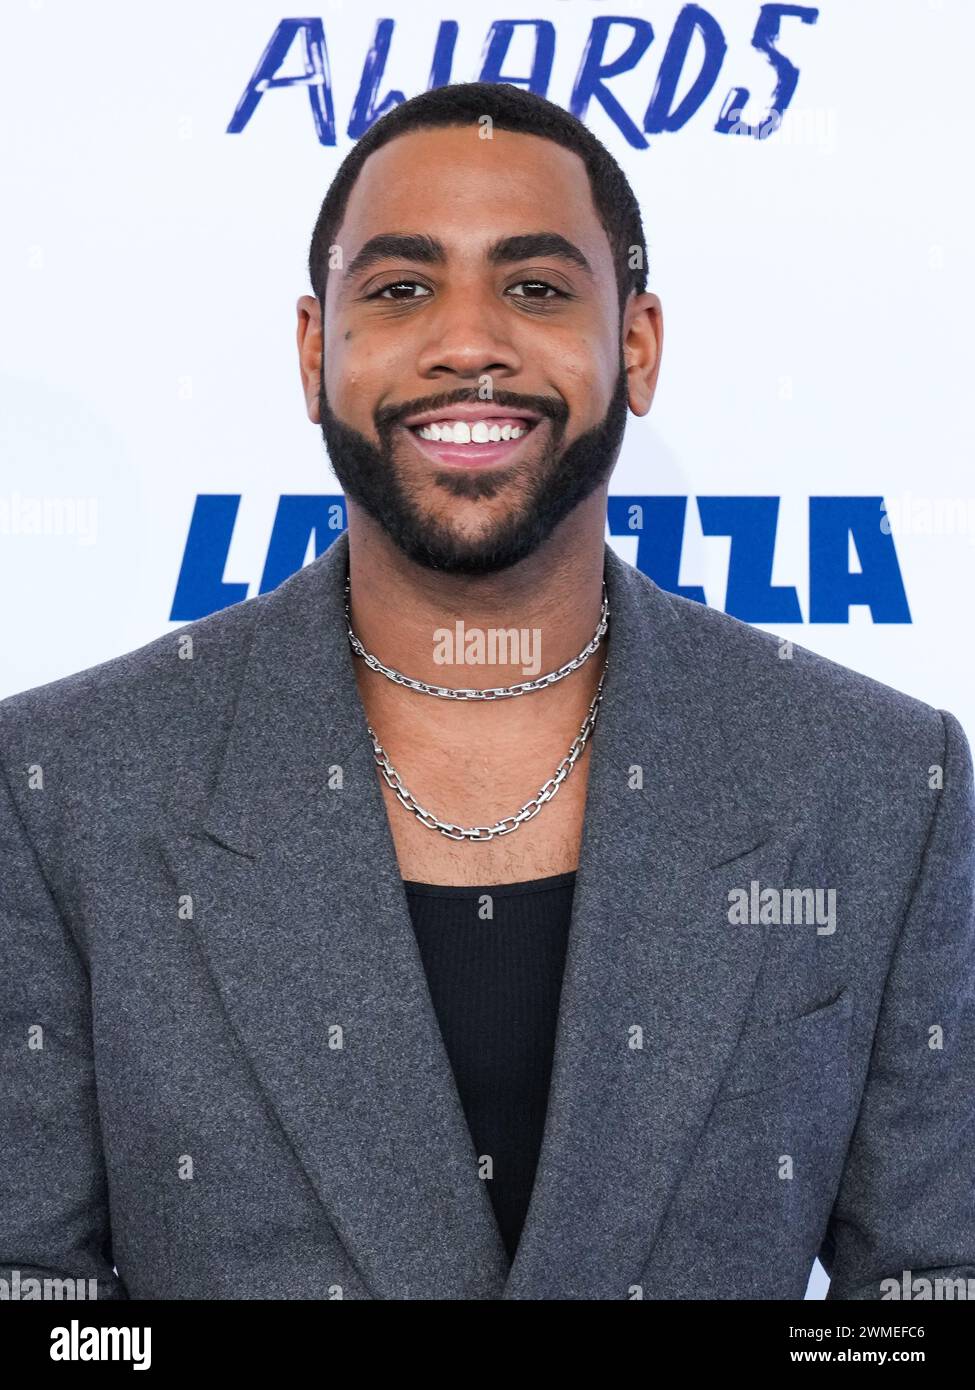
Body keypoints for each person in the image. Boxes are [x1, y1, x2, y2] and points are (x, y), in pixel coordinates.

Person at [1, 82, 973, 1301]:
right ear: (316, 353)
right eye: (402, 288)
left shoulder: (879, 778)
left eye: (537, 288)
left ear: (638, 345)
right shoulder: (68, 780)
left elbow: (931, 1296)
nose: (469, 342)